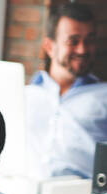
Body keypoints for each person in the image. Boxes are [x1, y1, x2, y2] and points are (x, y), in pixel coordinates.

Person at [26, 1, 107, 178]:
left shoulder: (103, 95)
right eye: (73, 41)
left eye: (89, 41)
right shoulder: (25, 95)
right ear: (49, 47)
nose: (83, 49)